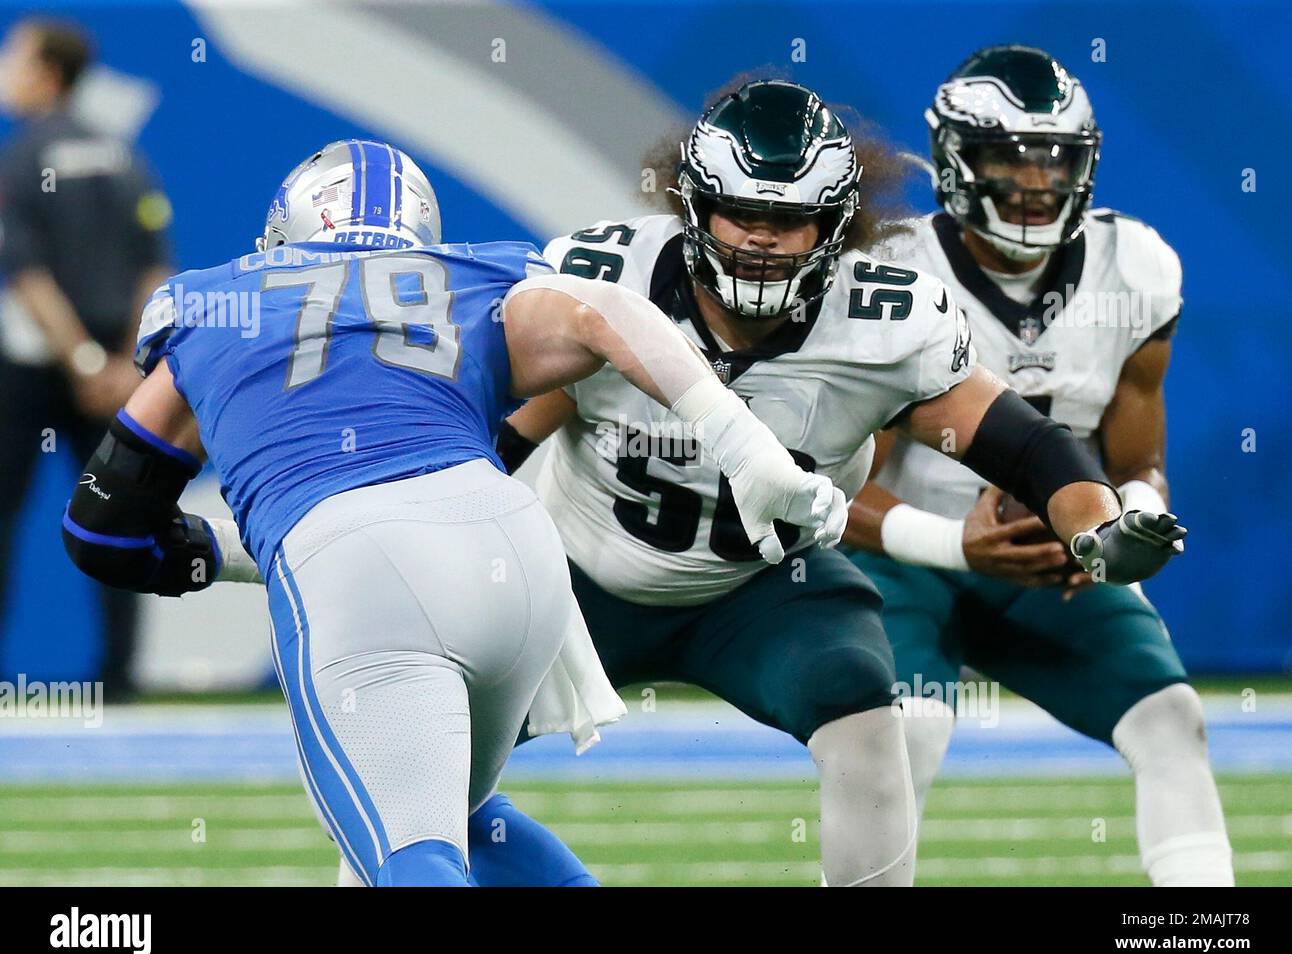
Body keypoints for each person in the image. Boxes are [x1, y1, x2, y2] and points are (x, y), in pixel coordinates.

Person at [60, 138, 845, 886]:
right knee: (460, 819)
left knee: (410, 853)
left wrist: (210, 552)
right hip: (514, 551)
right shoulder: (474, 279)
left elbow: (101, 529)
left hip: (354, 569)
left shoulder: (217, 306)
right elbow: (611, 312)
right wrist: (746, 449)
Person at [496, 80, 1187, 886]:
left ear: (835, 225)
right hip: (580, 573)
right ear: (692, 206)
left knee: (861, 697)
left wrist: (1097, 530)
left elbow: (1027, 449)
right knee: (435, 725)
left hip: (761, 585)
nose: (760, 240)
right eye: (740, 212)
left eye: (788, 220)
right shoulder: (606, 280)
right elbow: (505, 431)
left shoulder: (880, 321)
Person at [841, 46, 1233, 885]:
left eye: (1053, 158)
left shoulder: (1138, 270)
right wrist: (954, 547)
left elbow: (1142, 461)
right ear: (954, 161)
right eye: (1006, 157)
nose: (1033, 181)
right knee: (908, 732)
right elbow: (831, 493)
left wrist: (1123, 524)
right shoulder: (892, 274)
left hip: (1064, 558)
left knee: (1172, 719)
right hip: (911, 559)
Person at [0, 18, 172, 697]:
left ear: (46, 72)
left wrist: (77, 359)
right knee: (119, 515)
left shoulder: (19, 158)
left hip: (33, 371)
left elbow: (27, 276)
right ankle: (122, 679)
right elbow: (154, 269)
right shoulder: (126, 157)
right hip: (114, 374)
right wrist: (123, 364)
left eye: (13, 57)